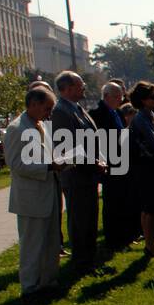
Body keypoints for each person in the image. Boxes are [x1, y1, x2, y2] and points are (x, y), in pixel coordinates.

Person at [6, 85, 65, 297]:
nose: (49, 113)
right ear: (33, 104)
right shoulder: (17, 129)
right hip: (30, 197)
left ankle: (48, 280)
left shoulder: (41, 125)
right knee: (32, 245)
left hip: (48, 191)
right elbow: (16, 165)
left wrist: (59, 160)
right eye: (46, 108)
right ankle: (29, 286)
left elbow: (46, 154)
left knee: (51, 241)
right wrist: (49, 166)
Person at [52, 70, 107, 271]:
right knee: (80, 219)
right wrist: (93, 162)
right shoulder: (60, 112)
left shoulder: (77, 108)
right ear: (66, 88)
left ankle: (89, 258)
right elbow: (67, 148)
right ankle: (82, 261)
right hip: (76, 175)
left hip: (88, 173)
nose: (83, 86)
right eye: (79, 84)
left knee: (90, 218)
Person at [128, 82, 154, 257]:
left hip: (151, 165)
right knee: (149, 207)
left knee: (152, 206)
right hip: (145, 167)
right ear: (144, 100)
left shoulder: (150, 115)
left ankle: (150, 244)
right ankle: (150, 245)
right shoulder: (141, 118)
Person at [91, 81, 135, 250]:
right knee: (112, 203)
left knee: (122, 201)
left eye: (121, 96)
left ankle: (123, 235)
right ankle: (113, 239)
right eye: (116, 96)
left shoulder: (116, 111)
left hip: (122, 162)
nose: (120, 99)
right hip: (110, 163)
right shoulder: (98, 113)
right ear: (106, 96)